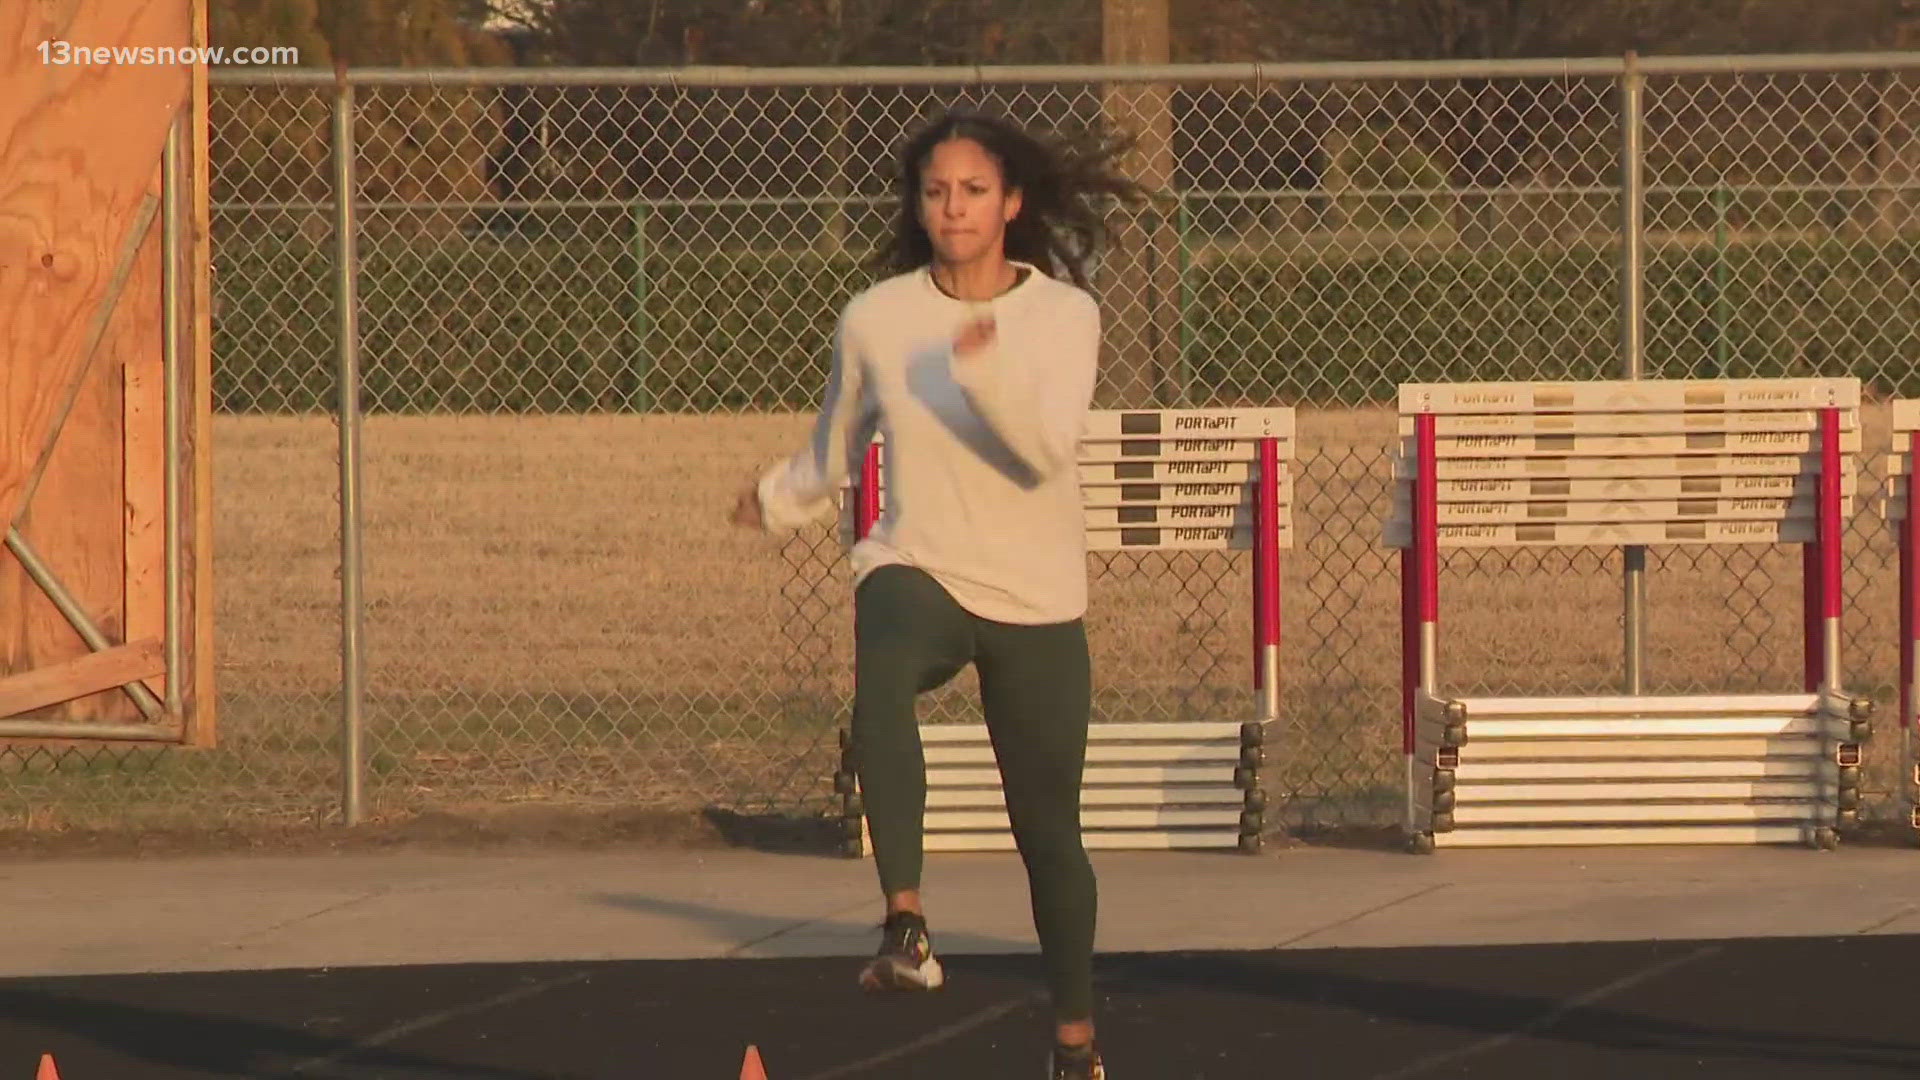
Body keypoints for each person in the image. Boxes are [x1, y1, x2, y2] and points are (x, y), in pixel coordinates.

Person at [727, 108, 1150, 1079]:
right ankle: (906, 926)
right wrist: (775, 499)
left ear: (1011, 203)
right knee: (880, 667)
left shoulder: (1063, 315)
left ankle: (1075, 1044)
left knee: (1049, 834)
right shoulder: (878, 317)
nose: (951, 207)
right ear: (918, 207)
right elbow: (835, 446)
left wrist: (980, 367)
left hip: (1035, 594)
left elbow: (1044, 451)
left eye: (970, 190)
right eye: (934, 191)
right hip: (918, 561)